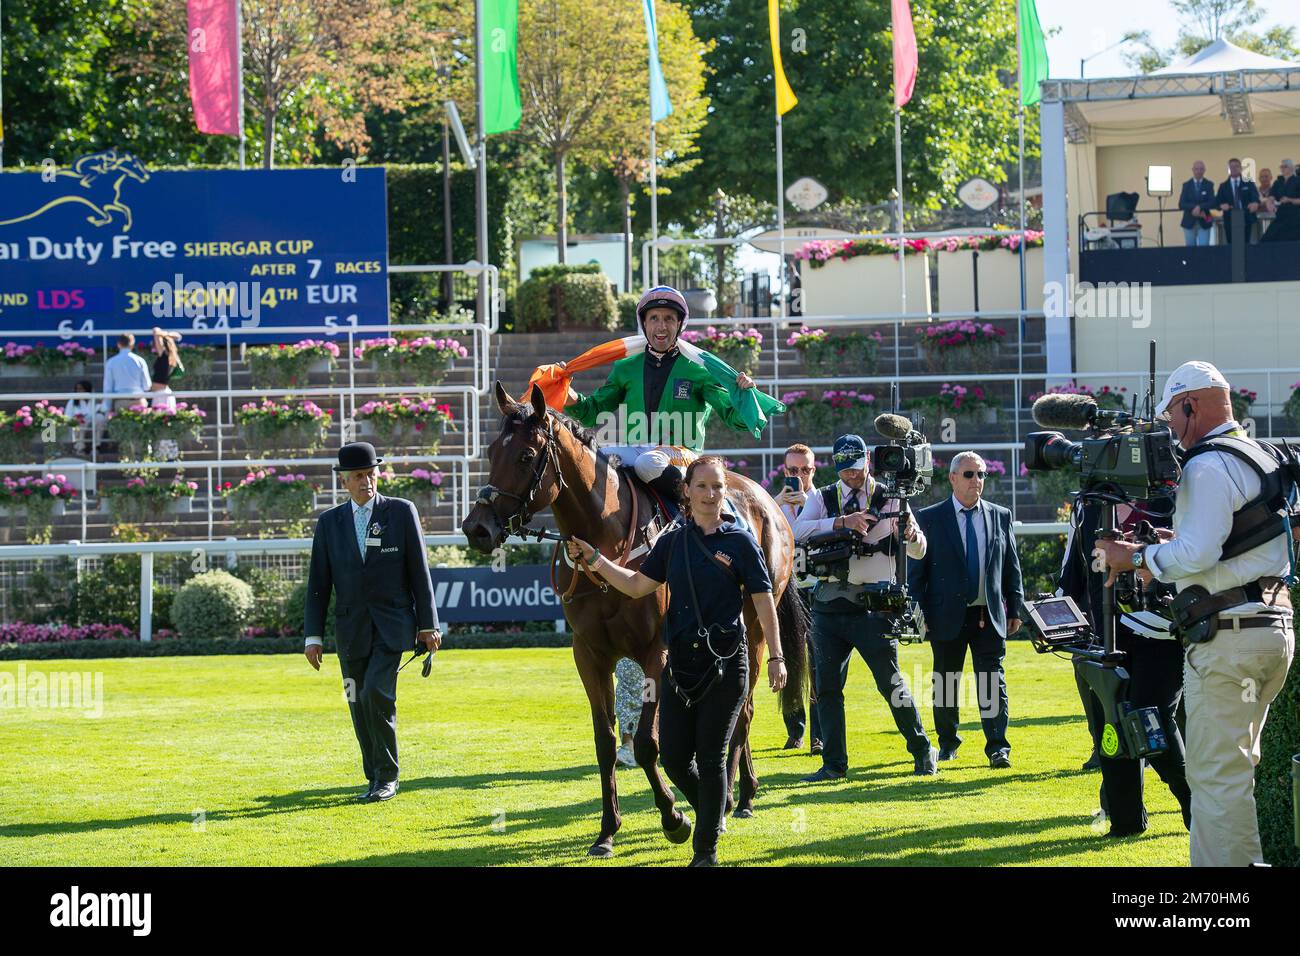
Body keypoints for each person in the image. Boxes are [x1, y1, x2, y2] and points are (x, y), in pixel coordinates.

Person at [1099, 361, 1295, 866]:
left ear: (1192, 405)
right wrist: (1172, 547)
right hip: (1271, 626)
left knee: (1214, 776)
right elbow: (1224, 545)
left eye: (1171, 415)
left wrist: (1137, 557)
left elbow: (1200, 554)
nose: (1168, 429)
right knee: (1234, 770)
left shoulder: (1205, 465)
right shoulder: (1258, 453)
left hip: (1228, 637)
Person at [567, 455, 787, 867]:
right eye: (701, 486)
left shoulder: (741, 541)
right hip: (680, 666)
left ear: (725, 492)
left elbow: (762, 602)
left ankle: (705, 851)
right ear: (686, 490)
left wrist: (776, 656)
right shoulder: (672, 540)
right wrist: (595, 560)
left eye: (717, 487)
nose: (709, 494)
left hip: (727, 664)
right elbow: (636, 585)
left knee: (711, 756)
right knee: (672, 756)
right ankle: (713, 807)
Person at [303, 442, 442, 803]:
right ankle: (374, 776)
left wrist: (429, 624)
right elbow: (318, 585)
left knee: (375, 692)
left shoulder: (401, 512)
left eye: (371, 474)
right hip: (349, 634)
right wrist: (312, 637)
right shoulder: (329, 523)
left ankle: (388, 777)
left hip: (392, 628)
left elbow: (419, 572)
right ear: (344, 482)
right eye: (358, 477)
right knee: (356, 700)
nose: (366, 482)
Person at [793, 434, 937, 780]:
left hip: (873, 609)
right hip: (828, 608)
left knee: (891, 684)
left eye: (856, 468)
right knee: (826, 689)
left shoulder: (891, 498)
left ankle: (922, 749)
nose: (851, 476)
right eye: (844, 470)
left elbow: (920, 551)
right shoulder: (823, 497)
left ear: (868, 460)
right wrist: (842, 522)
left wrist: (910, 535)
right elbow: (795, 530)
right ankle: (833, 764)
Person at [1059, 498, 1192, 838]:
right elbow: (1075, 572)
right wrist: (1059, 616)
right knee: (1112, 726)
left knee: (1152, 722)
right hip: (1107, 634)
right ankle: (1125, 820)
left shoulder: (1170, 498)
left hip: (1163, 635)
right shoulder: (1089, 509)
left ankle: (1196, 805)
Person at [562, 286, 757, 499]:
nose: (661, 326)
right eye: (654, 318)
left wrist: (744, 396)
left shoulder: (699, 369)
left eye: (669, 319)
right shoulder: (625, 367)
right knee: (592, 458)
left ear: (680, 324)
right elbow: (592, 412)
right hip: (635, 449)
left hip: (681, 454)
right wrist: (567, 392)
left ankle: (691, 508)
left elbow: (731, 416)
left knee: (647, 463)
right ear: (644, 324)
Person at [908, 452, 1024, 768]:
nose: (977, 481)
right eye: (970, 474)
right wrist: (919, 616)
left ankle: (998, 747)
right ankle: (948, 743)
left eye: (981, 474)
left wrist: (1015, 606)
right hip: (944, 615)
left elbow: (1011, 565)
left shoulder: (1000, 515)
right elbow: (916, 573)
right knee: (946, 682)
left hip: (988, 614)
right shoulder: (929, 518)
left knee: (991, 681)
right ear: (953, 478)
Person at [773, 442, 821, 755]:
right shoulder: (770, 503)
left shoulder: (821, 499)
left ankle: (819, 734)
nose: (799, 475)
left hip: (816, 587)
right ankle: (796, 730)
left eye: (805, 470)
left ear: (813, 470)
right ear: (784, 470)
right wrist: (778, 502)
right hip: (785, 589)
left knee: (819, 663)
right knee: (789, 658)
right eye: (793, 470)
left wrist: (809, 507)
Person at [101, 332, 151, 415]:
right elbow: (147, 385)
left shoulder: (111, 362)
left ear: (118, 344)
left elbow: (108, 387)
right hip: (138, 401)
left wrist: (107, 408)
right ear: (132, 344)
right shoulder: (140, 361)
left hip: (120, 402)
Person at [1215, 158, 1260, 244]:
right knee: (1232, 245)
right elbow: (1217, 202)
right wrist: (1221, 206)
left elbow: (1255, 197)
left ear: (1241, 168)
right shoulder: (1223, 186)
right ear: (1228, 169)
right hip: (1230, 218)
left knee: (1246, 245)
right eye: (1231, 167)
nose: (1234, 169)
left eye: (1236, 166)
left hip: (1246, 216)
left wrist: (1255, 203)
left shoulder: (1249, 183)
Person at [614, 657, 645, 768]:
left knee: (650, 705)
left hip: (649, 667)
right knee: (624, 707)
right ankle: (628, 748)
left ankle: (632, 748)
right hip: (626, 666)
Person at [1261, 158, 1300, 243]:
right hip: (1282, 215)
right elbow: (1271, 196)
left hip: (1295, 216)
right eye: (1281, 167)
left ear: (1291, 168)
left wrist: (1290, 200)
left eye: (1284, 167)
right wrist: (1269, 203)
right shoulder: (1278, 182)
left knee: (1291, 240)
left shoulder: (1298, 181)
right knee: (1268, 238)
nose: (1282, 169)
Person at [1178, 160, 1216, 246]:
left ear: (1204, 170)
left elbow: (1212, 202)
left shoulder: (1209, 184)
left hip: (1205, 219)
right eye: (1196, 169)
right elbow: (1181, 204)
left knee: (1204, 248)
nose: (1199, 171)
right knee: (1190, 250)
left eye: (1201, 169)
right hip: (1188, 221)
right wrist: (1194, 208)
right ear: (1193, 170)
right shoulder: (1186, 185)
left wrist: (1199, 207)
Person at [64, 380, 97, 456]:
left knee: (84, 422)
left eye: (81, 389)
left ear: (87, 389)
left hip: (91, 427)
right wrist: (76, 419)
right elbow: (67, 416)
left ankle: (81, 448)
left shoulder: (95, 400)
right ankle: (80, 449)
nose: (78, 391)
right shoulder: (72, 401)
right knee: (80, 423)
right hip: (77, 427)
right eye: (77, 389)